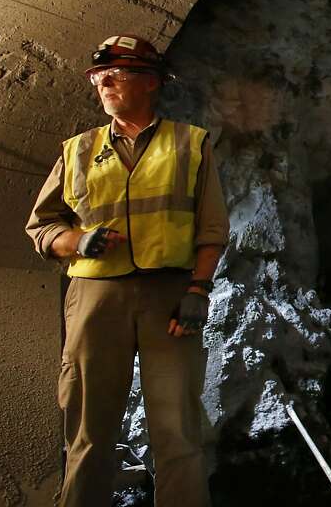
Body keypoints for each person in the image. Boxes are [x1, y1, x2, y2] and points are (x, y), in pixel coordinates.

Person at [25, 35, 228, 507]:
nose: (106, 83)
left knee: (177, 429)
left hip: (169, 296)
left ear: (151, 82)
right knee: (88, 430)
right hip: (96, 298)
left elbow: (213, 226)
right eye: (100, 76)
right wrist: (78, 240)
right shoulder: (77, 150)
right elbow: (41, 226)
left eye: (119, 73)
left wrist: (198, 289)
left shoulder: (190, 144)